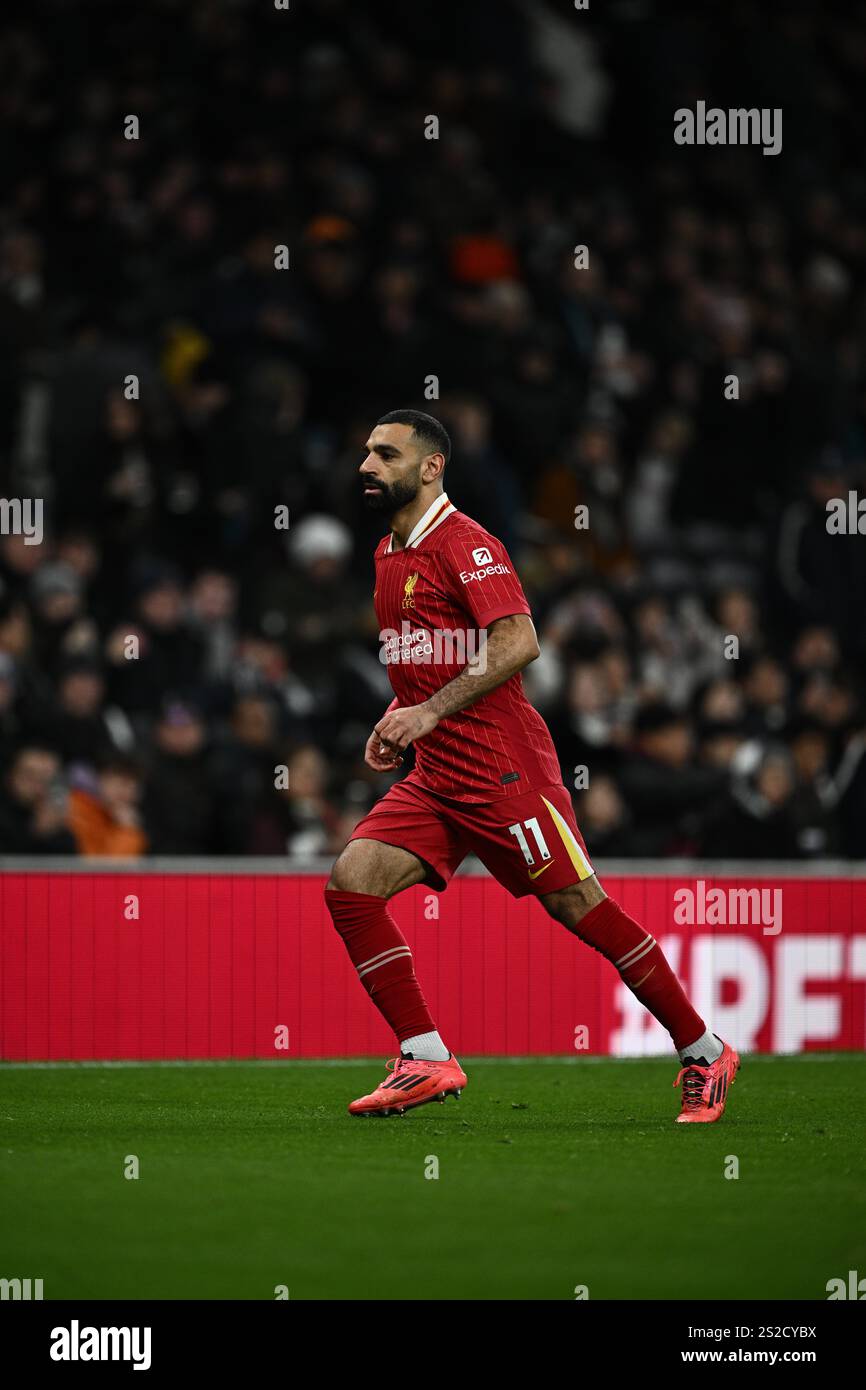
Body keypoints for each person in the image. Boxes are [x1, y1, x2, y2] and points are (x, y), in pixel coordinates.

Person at [325, 410, 740, 1122]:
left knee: (578, 906)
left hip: (503, 771)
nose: (367, 465)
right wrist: (399, 719)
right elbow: (427, 658)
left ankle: (704, 1051)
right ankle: (425, 1055)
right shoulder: (387, 554)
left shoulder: (468, 543)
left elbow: (518, 642)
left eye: (385, 454)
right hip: (435, 776)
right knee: (351, 886)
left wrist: (426, 715)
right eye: (366, 452)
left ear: (431, 468)